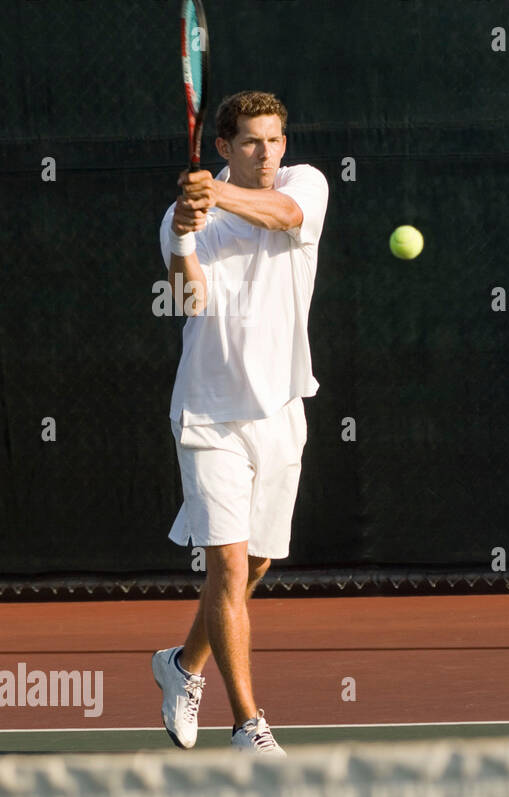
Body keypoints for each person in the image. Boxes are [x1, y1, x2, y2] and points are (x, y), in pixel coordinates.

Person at [151, 91, 329, 756]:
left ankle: (181, 665)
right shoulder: (184, 216)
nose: (266, 153)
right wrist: (187, 230)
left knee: (257, 561)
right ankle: (248, 725)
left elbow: (284, 216)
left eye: (274, 140)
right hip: (208, 415)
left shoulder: (304, 185)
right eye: (251, 142)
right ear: (223, 147)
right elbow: (188, 299)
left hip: (281, 409)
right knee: (227, 567)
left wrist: (216, 199)